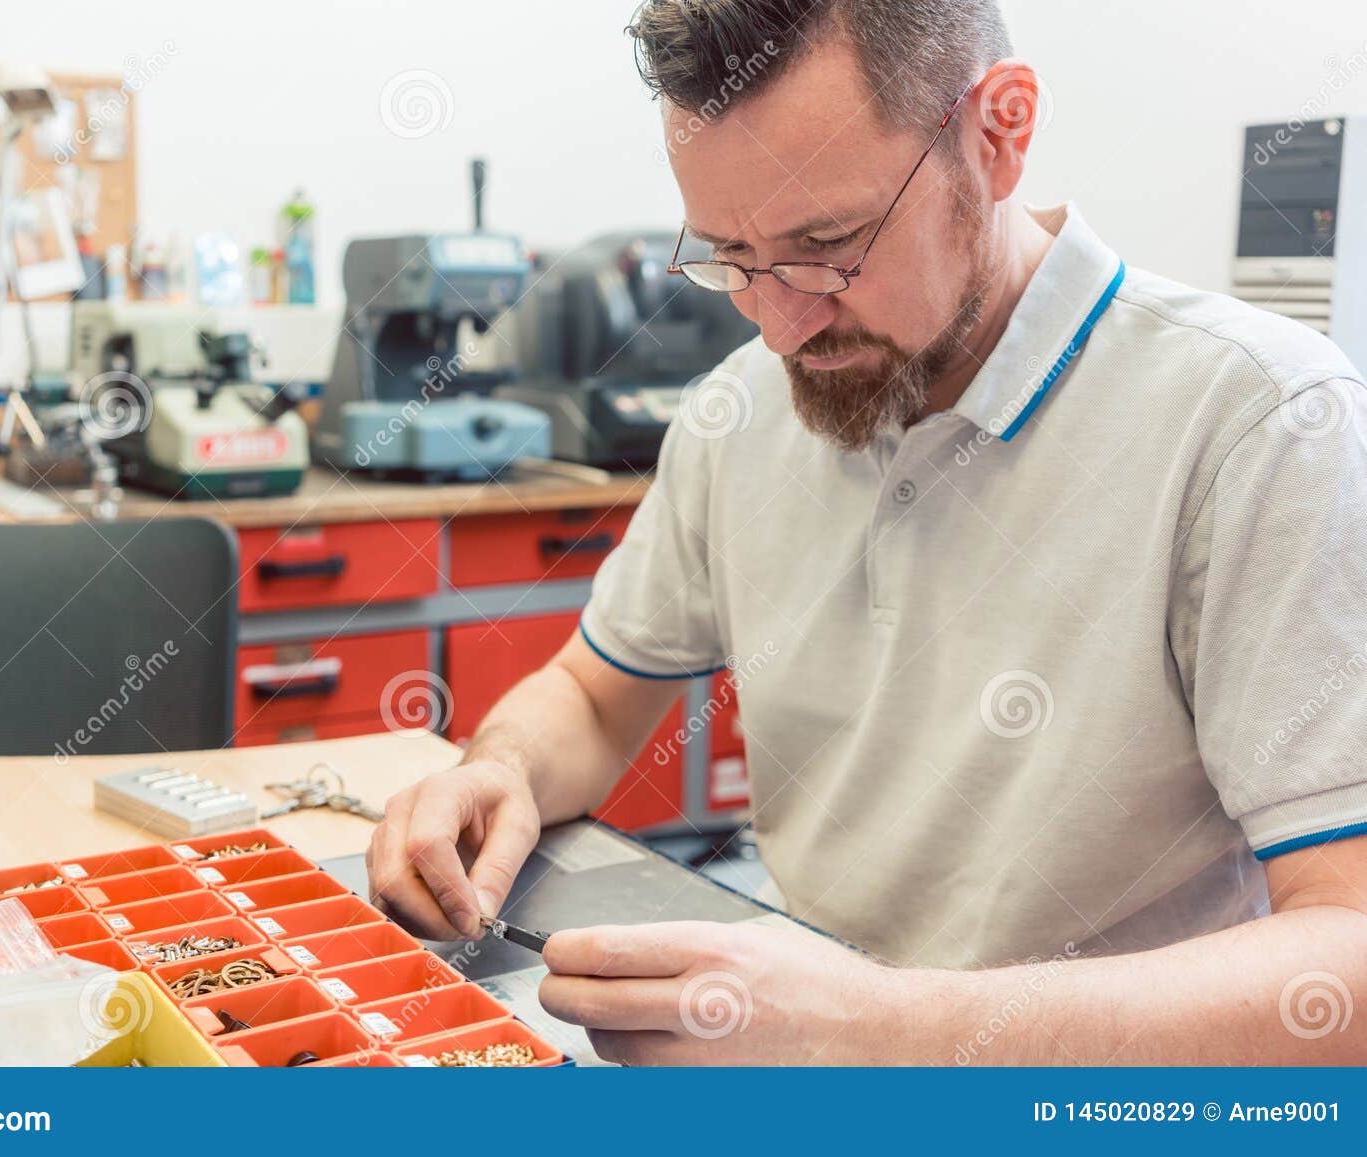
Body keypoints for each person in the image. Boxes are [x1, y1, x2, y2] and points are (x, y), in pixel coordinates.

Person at [367, 0, 1367, 1065]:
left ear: (1000, 131)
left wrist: (881, 1027)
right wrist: (502, 770)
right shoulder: (738, 409)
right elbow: (592, 696)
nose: (779, 324)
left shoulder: (1261, 424)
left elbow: (1345, 960)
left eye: (827, 247)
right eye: (730, 255)